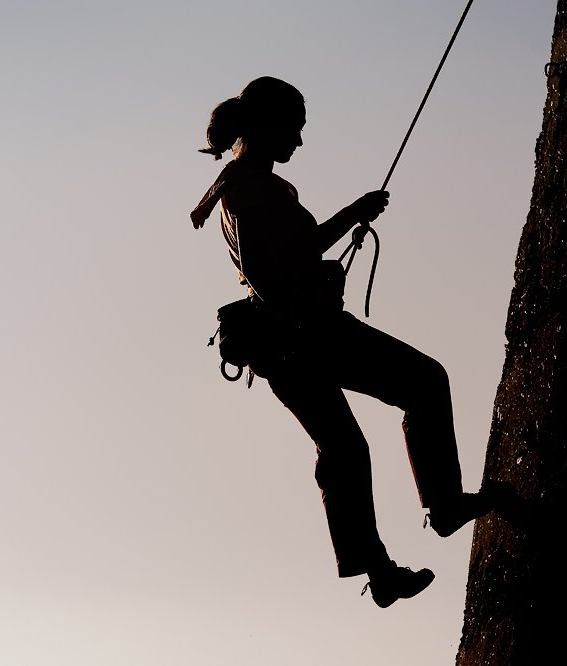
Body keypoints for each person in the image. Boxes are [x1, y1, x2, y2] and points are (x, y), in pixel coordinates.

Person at [190, 76, 493, 608]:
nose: (300, 143)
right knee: (423, 383)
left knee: (345, 448)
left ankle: (378, 568)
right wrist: (353, 213)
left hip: (283, 344)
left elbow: (282, 258)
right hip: (307, 336)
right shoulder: (249, 187)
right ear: (268, 126)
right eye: (295, 129)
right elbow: (281, 262)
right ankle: (441, 508)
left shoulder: (243, 184)